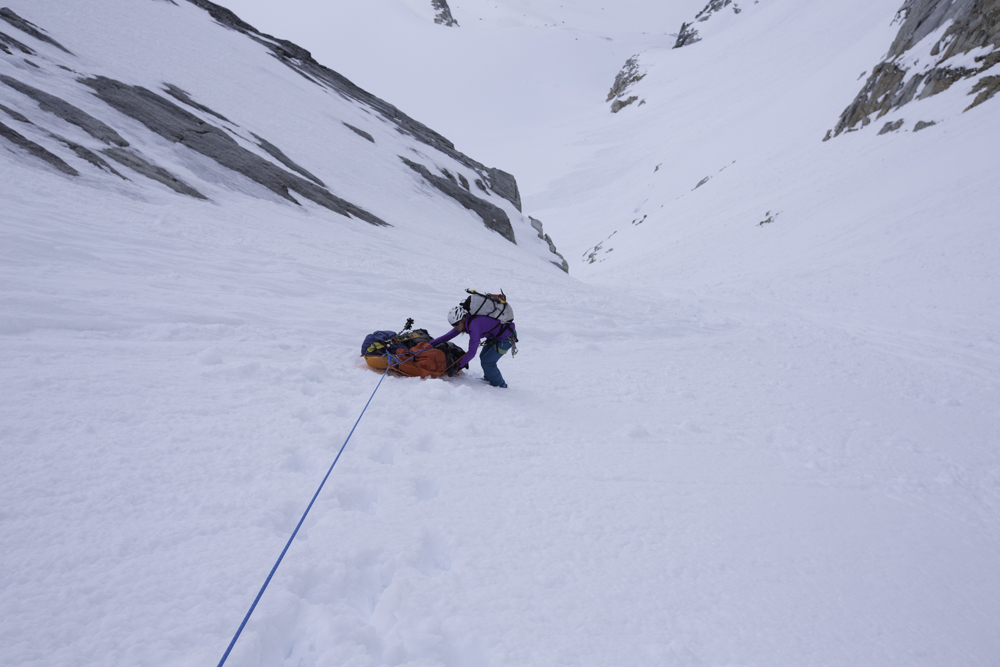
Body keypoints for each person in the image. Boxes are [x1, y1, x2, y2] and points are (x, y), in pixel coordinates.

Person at [430, 305, 516, 388]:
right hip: (494, 336)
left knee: (488, 362)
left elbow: (471, 352)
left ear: (462, 318)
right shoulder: (465, 322)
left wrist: (458, 366)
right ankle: (490, 378)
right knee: (483, 357)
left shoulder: (474, 326)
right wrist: (431, 343)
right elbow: (448, 336)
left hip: (506, 338)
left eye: (456, 324)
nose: (455, 327)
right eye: (453, 325)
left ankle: (500, 386)